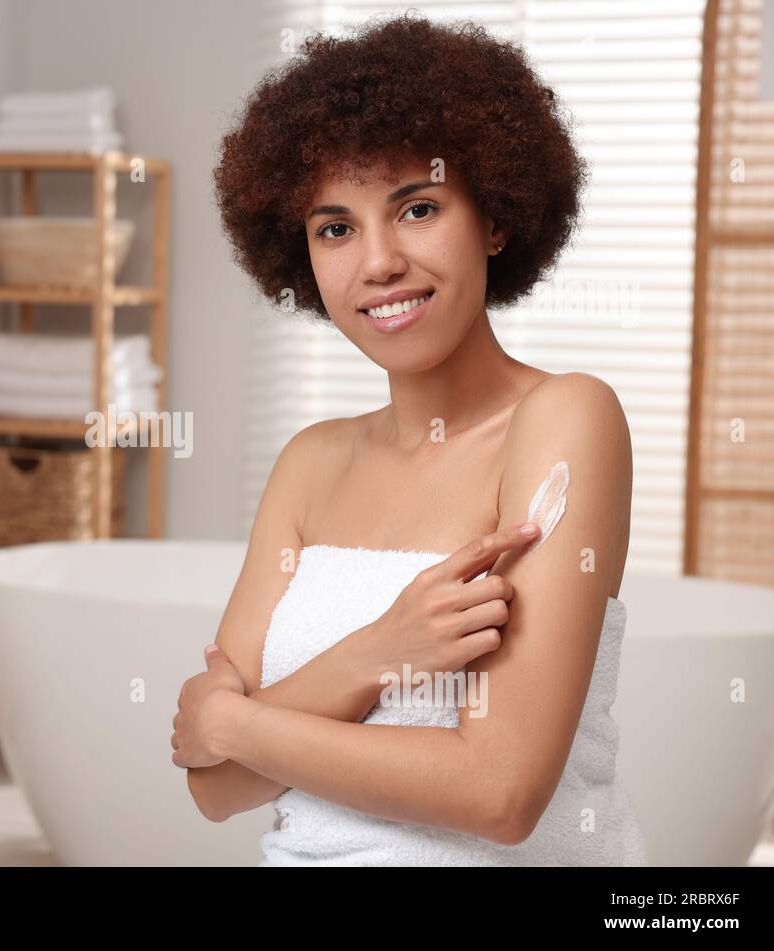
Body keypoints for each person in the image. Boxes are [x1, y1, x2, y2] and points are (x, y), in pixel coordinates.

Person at [170, 13, 648, 866]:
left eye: (417, 208)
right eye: (336, 228)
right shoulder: (309, 465)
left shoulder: (566, 418)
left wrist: (239, 719)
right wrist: (376, 655)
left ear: (495, 218)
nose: (379, 262)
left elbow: (499, 794)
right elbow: (214, 789)